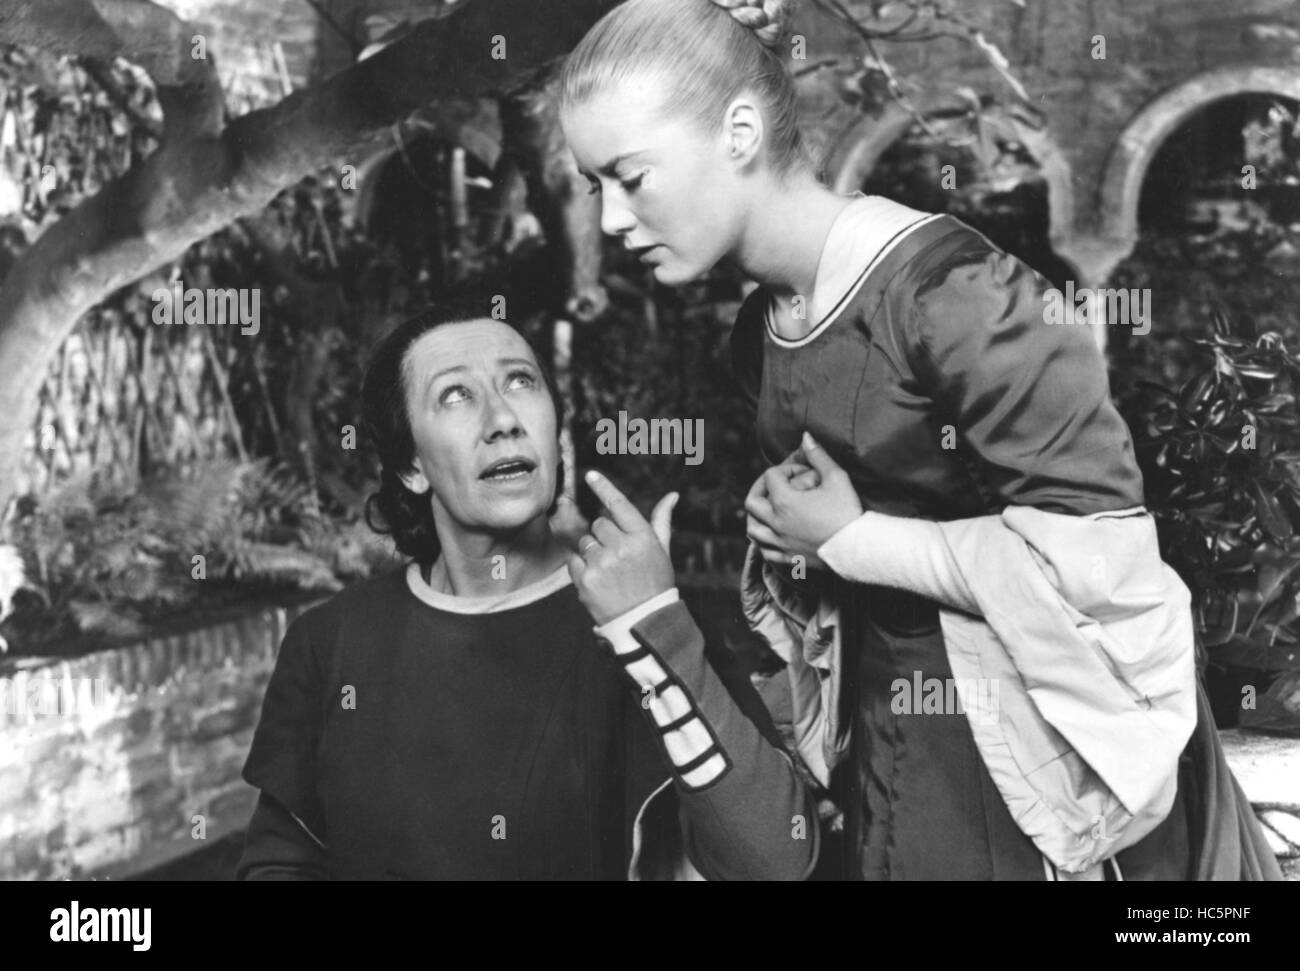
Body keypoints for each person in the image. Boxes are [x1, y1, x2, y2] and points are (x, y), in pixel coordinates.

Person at [557, 0, 1282, 879]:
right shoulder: (762, 329)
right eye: (597, 186)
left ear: (739, 130)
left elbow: (1104, 572)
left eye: (631, 177)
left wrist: (851, 539)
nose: (612, 222)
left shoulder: (959, 296)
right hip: (892, 748)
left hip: (1041, 769)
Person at [235, 297, 818, 880]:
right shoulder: (330, 639)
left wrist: (653, 626)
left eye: (520, 382)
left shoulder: (643, 615)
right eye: (455, 395)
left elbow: (776, 863)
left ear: (554, 430)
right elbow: (279, 861)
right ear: (411, 466)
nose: (503, 418)